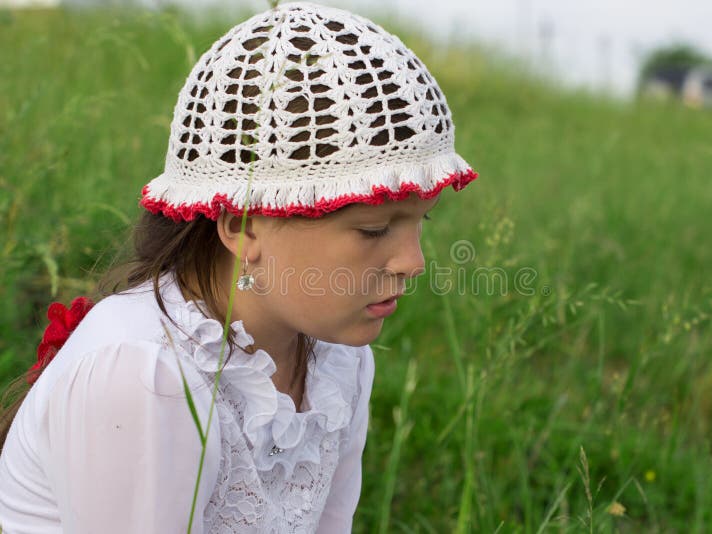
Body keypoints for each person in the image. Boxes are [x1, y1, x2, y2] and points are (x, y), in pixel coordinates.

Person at [0, 1, 477, 532]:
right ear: (243, 224)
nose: (413, 262)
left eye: (422, 222)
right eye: (372, 230)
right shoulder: (147, 377)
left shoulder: (336, 360)